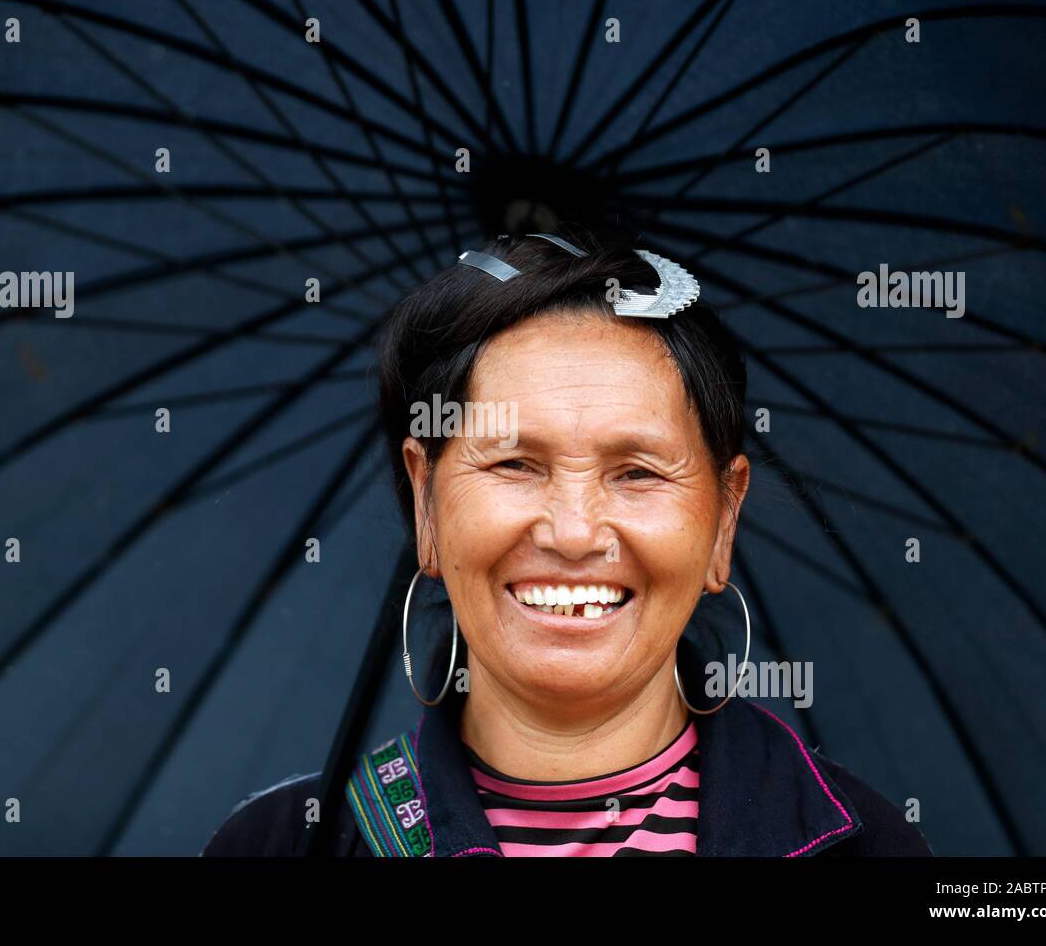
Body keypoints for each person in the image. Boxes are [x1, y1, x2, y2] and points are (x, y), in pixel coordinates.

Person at [202, 227, 934, 857]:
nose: (575, 532)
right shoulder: (286, 843)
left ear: (723, 519)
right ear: (426, 501)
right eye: (516, 464)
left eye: (638, 472)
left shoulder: (863, 845)